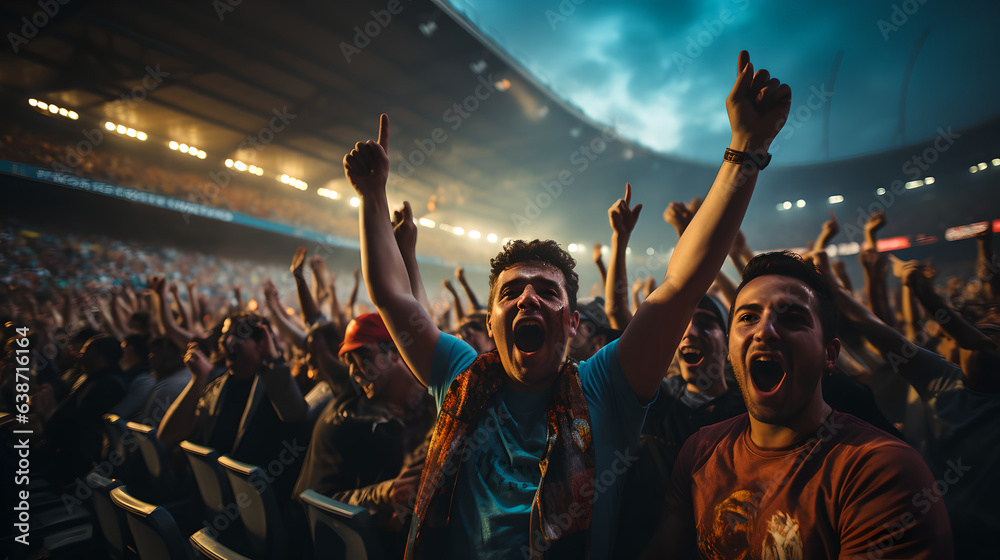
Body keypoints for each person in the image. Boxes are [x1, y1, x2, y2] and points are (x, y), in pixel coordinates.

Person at [345, 50, 792, 558]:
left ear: (572, 321)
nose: (528, 296)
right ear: (491, 323)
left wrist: (745, 149)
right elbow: (392, 296)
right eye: (510, 293)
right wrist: (372, 194)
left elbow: (679, 289)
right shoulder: (461, 376)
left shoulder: (606, 388)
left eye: (547, 290)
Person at [664, 252, 954, 559]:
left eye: (792, 318)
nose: (764, 331)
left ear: (830, 355)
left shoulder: (882, 472)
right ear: (729, 348)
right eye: (748, 317)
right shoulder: (699, 451)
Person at [292, 313, 435, 556]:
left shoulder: (420, 416)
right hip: (314, 537)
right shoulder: (357, 403)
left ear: (394, 352)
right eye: (349, 360)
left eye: (363, 356)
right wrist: (386, 493)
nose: (355, 370)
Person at [617, 295, 745, 558]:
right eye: (682, 323)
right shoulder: (657, 398)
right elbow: (619, 315)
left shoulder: (748, 412)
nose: (690, 332)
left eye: (706, 323)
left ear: (729, 343)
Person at [157, 312, 308, 499]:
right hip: (213, 498)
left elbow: (295, 415)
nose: (226, 341)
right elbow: (168, 434)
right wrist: (198, 379)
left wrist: (273, 359)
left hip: (252, 502)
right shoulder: (217, 386)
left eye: (237, 335)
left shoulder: (276, 385)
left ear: (261, 343)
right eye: (224, 334)